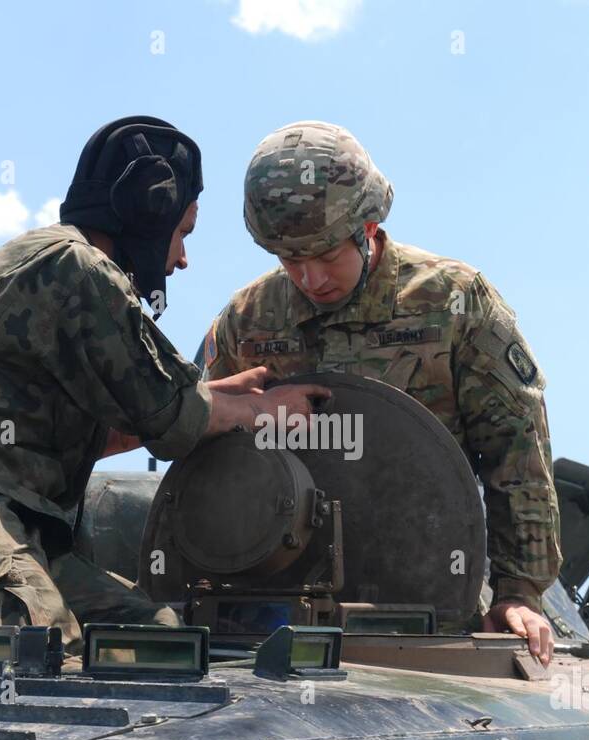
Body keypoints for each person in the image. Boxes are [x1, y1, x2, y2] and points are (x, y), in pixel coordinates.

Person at [0, 116, 327, 652]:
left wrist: (219, 400)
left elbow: (115, 428)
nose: (183, 260)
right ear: (150, 211)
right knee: (46, 669)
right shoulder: (76, 266)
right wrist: (265, 410)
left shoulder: (53, 266)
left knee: (158, 644)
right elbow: (169, 418)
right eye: (182, 233)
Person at [201, 121, 562, 664]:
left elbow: (517, 454)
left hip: (424, 602)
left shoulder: (455, 302)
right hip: (272, 609)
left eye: (325, 256)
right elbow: (192, 435)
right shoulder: (248, 319)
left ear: (368, 227)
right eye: (288, 260)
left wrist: (519, 593)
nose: (309, 278)